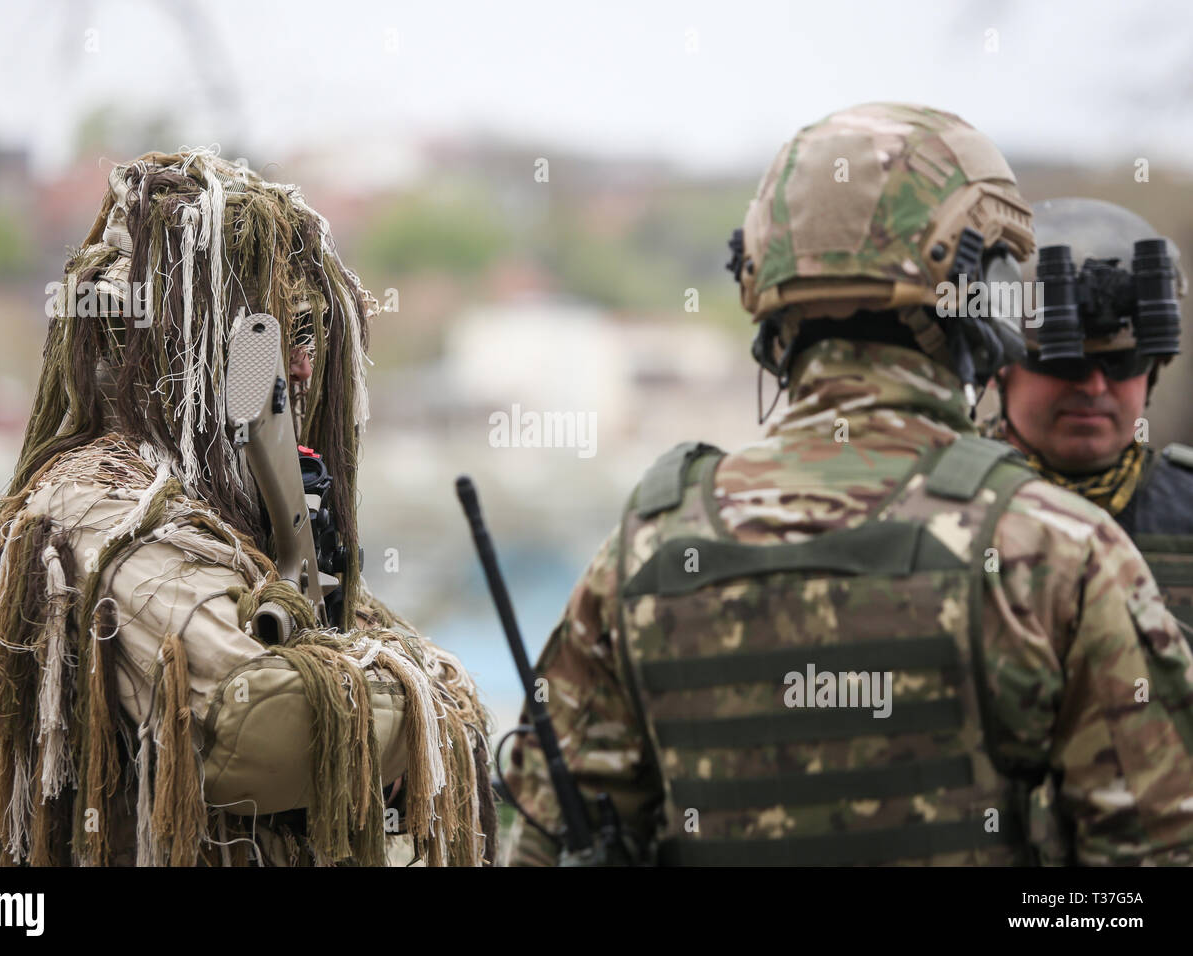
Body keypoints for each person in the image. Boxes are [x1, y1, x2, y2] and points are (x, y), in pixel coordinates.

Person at [502, 103, 1193, 866]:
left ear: (762, 283)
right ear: (982, 295)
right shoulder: (1059, 549)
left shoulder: (647, 544)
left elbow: (540, 841)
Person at [0, 149, 496, 867]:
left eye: (311, 334)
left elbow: (334, 675)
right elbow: (262, 725)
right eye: (276, 337)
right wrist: (424, 693)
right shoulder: (104, 506)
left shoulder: (225, 510)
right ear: (179, 344)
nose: (303, 366)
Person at [985, 197, 1193, 630]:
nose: (1094, 387)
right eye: (1063, 363)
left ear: (1154, 369)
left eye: (1124, 364)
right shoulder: (941, 512)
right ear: (999, 367)